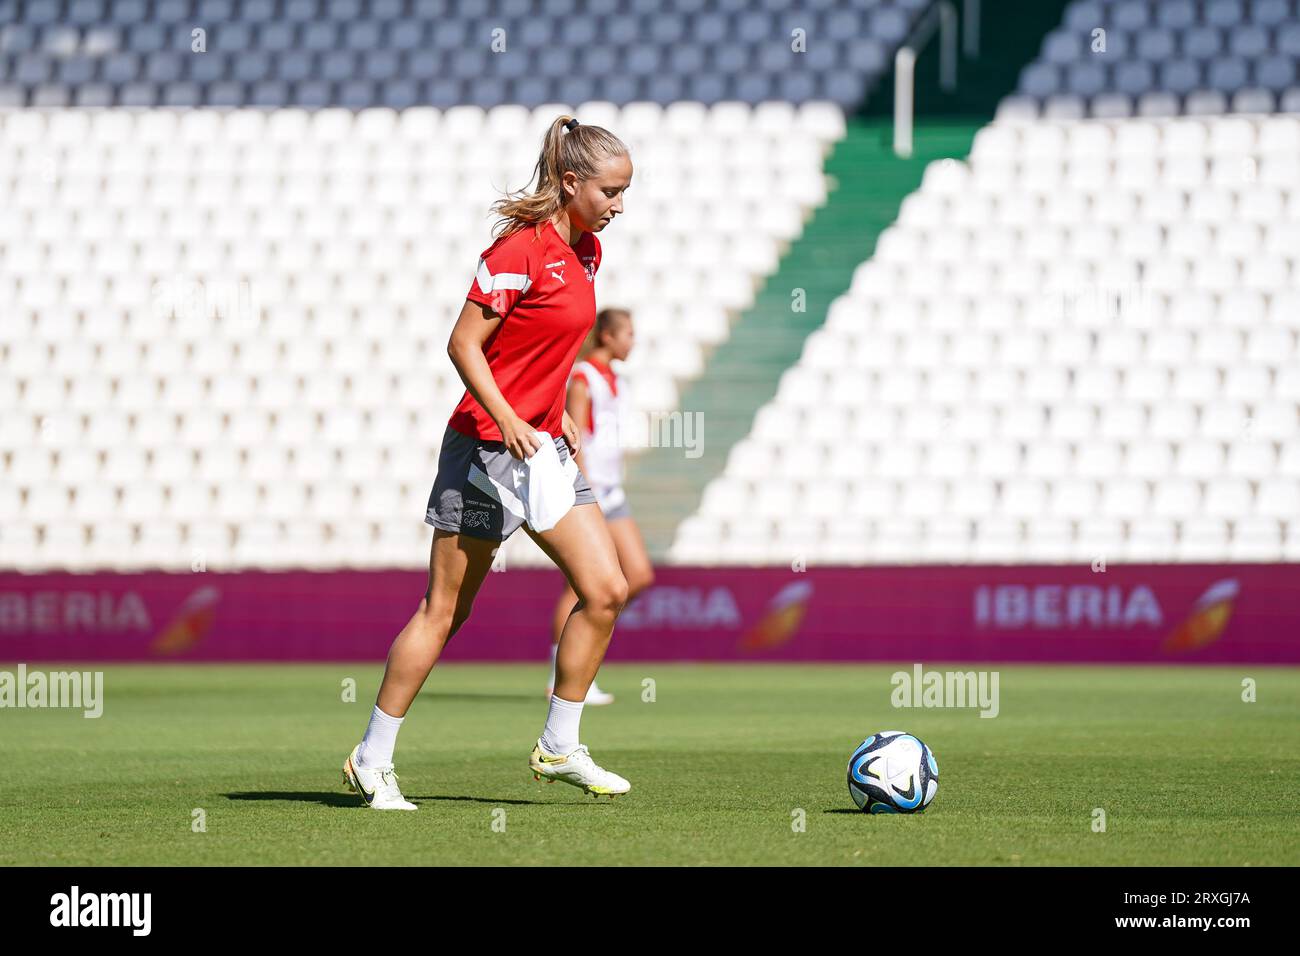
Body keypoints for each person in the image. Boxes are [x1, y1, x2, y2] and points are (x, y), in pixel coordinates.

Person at [341, 115, 634, 809]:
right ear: (571, 182)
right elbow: (463, 344)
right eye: (611, 190)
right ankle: (370, 756)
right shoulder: (516, 251)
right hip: (484, 449)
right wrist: (507, 416)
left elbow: (548, 349)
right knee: (445, 613)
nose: (619, 204)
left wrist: (553, 408)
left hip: (544, 449)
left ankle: (560, 746)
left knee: (608, 589)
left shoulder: (588, 251)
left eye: (625, 192)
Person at [546, 308, 655, 704]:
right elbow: (574, 438)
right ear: (607, 336)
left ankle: (582, 648)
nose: (632, 340)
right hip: (589, 490)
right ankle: (563, 674)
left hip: (613, 490)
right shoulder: (583, 377)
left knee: (638, 574)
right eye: (628, 332)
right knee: (579, 587)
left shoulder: (617, 380)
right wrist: (582, 490)